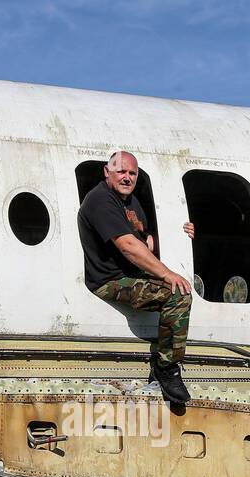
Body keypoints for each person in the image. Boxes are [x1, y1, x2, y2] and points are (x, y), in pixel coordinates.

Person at [78, 151, 196, 403]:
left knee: (176, 288)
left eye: (132, 173)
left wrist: (180, 233)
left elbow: (145, 242)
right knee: (178, 295)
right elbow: (129, 245)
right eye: (121, 171)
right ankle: (166, 369)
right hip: (109, 281)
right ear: (106, 172)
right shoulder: (100, 200)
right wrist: (167, 274)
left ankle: (165, 365)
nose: (127, 178)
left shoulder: (130, 203)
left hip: (129, 275)